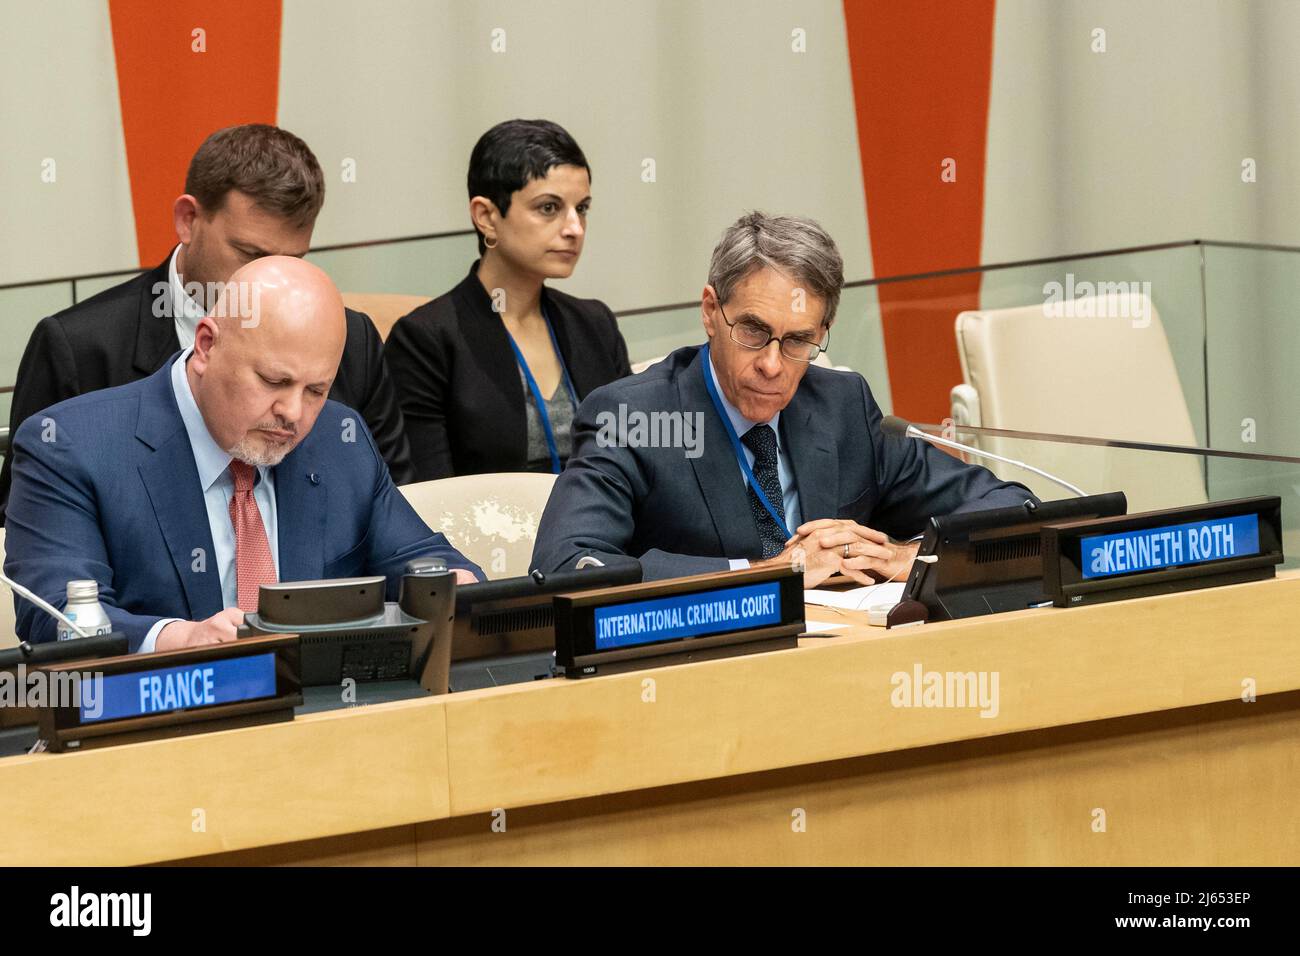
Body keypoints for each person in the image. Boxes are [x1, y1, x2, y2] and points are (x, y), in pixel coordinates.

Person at [530, 212, 1036, 586]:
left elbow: (1014, 506)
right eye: (753, 331)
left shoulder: (842, 406)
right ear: (711, 311)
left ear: (823, 332)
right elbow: (567, 565)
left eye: (798, 341)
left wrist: (912, 557)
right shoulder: (633, 417)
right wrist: (769, 572)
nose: (772, 364)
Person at [4, 257, 480, 653]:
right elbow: (58, 616)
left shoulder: (338, 437)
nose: (293, 413)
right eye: (274, 382)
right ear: (207, 345)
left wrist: (460, 587)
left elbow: (419, 558)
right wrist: (179, 638)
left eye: (316, 389)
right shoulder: (70, 445)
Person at [0, 124, 413, 525]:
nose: (269, 278)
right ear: (188, 219)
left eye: (292, 261)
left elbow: (395, 500)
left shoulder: (352, 339)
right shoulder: (80, 347)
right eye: (251, 254)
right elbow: (27, 521)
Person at [384, 119, 631, 480]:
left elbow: (636, 462)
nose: (574, 228)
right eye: (549, 208)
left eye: (582, 209)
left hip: (603, 532)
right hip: (482, 535)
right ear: (486, 216)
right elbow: (427, 497)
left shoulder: (594, 324)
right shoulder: (425, 340)